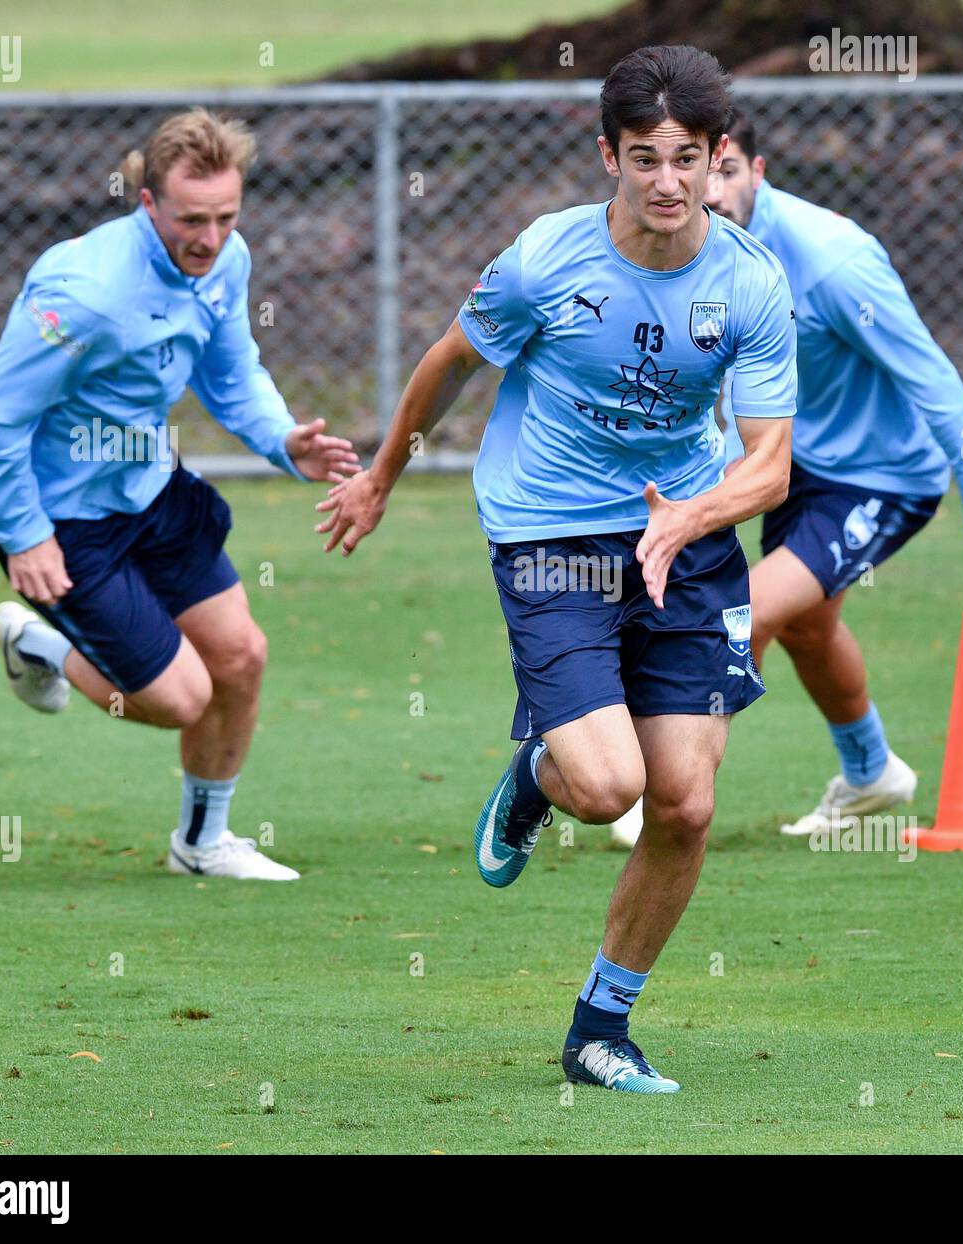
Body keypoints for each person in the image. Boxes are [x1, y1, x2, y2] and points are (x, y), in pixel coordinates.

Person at [315, 47, 797, 1093]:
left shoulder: (751, 285)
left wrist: (689, 520)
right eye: (642, 158)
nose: (666, 182)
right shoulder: (547, 261)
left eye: (686, 159)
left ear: (721, 159)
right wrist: (382, 475)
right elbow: (450, 362)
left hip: (689, 537)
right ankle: (537, 773)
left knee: (684, 803)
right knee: (605, 783)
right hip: (551, 538)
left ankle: (597, 1031)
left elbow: (768, 463)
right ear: (605, 157)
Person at [0, 108, 358, 880]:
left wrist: (282, 439)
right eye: (190, 220)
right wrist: (23, 535)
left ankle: (201, 844)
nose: (210, 239)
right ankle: (38, 643)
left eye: (225, 217)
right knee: (179, 698)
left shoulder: (226, 259)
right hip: (67, 521)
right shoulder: (85, 290)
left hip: (152, 489)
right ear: (147, 202)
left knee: (242, 657)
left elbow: (231, 370)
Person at [613, 106, 963, 847]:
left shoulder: (832, 260)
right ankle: (872, 774)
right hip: (791, 469)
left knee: (749, 610)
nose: (711, 189)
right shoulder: (693, 252)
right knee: (806, 625)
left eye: (727, 170)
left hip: (882, 477)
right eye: (702, 171)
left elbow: (930, 375)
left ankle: (661, 787)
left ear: (756, 171)